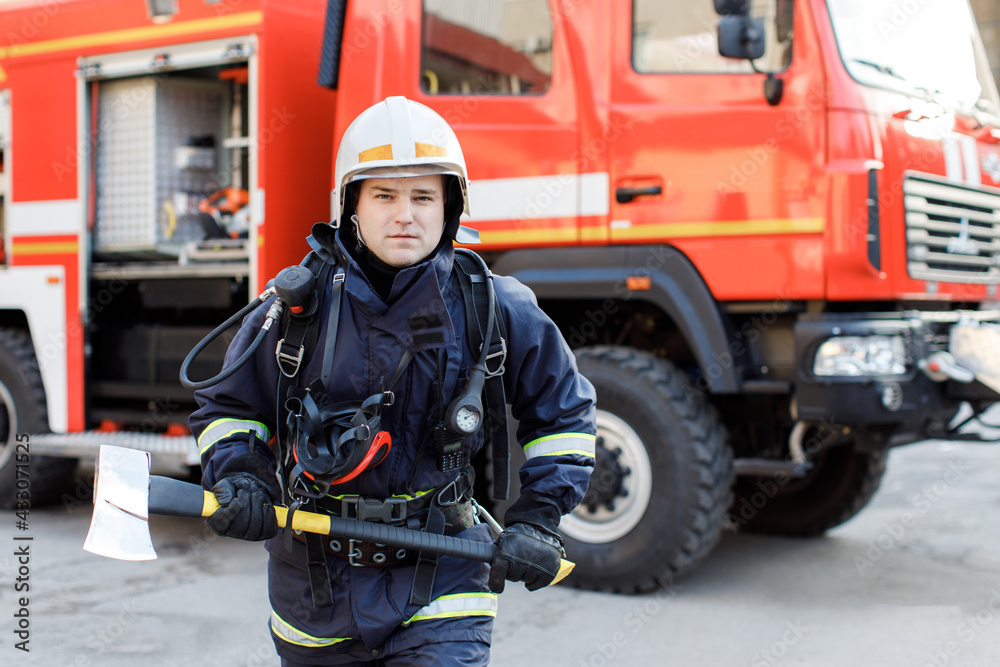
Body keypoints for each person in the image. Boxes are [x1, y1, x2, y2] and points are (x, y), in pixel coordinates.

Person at [190, 96, 596, 666]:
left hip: (442, 580)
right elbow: (228, 409)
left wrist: (539, 517)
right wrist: (243, 476)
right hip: (313, 592)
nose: (405, 214)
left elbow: (565, 416)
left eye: (423, 196)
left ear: (449, 208)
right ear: (350, 205)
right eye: (384, 195)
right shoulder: (292, 311)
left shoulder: (496, 309)